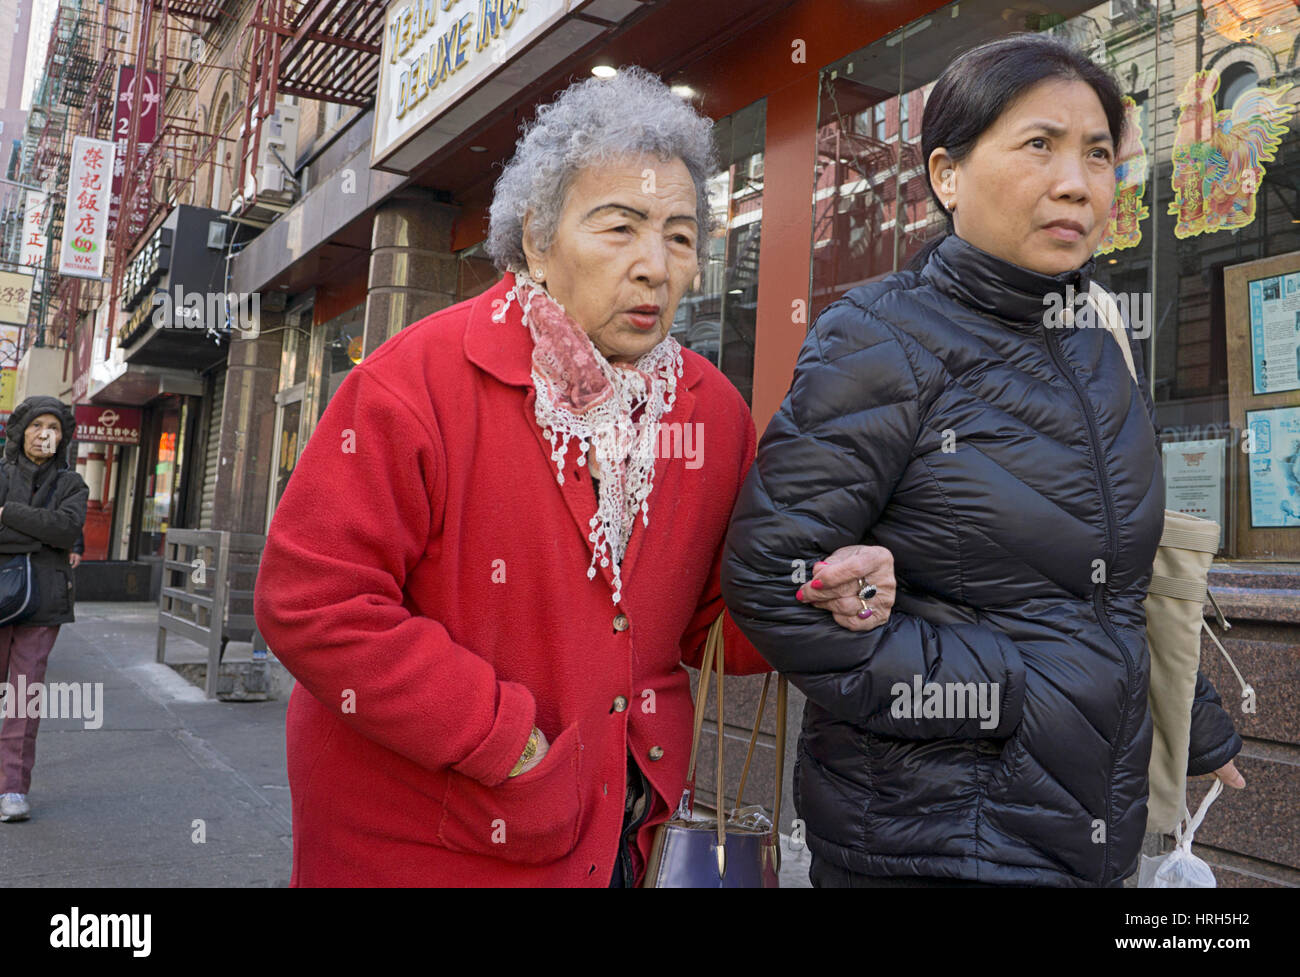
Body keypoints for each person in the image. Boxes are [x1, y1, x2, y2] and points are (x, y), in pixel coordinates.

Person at [253, 66, 895, 887]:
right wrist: (507, 738)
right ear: (536, 239)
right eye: (620, 227)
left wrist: (820, 589)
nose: (655, 265)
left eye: (680, 235)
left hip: (629, 832)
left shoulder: (710, 410)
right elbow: (312, 602)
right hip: (431, 843)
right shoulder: (414, 382)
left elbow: (711, 625)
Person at [720, 34, 1244, 888]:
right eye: (1039, 144)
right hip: (930, 840)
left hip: (1084, 833)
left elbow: (1105, 581)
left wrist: (1194, 717)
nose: (1077, 181)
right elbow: (772, 578)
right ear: (947, 174)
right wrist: (996, 690)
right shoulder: (879, 339)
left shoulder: (1095, 341)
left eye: (1099, 154)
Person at [0, 396, 89, 823]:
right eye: (36, 425)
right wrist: (41, 534)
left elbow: (67, 529)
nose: (44, 433)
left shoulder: (72, 485)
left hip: (45, 603)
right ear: (21, 431)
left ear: (62, 437)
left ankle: (12, 788)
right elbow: (51, 533)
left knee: (23, 700)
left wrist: (9, 515)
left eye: (53, 426)